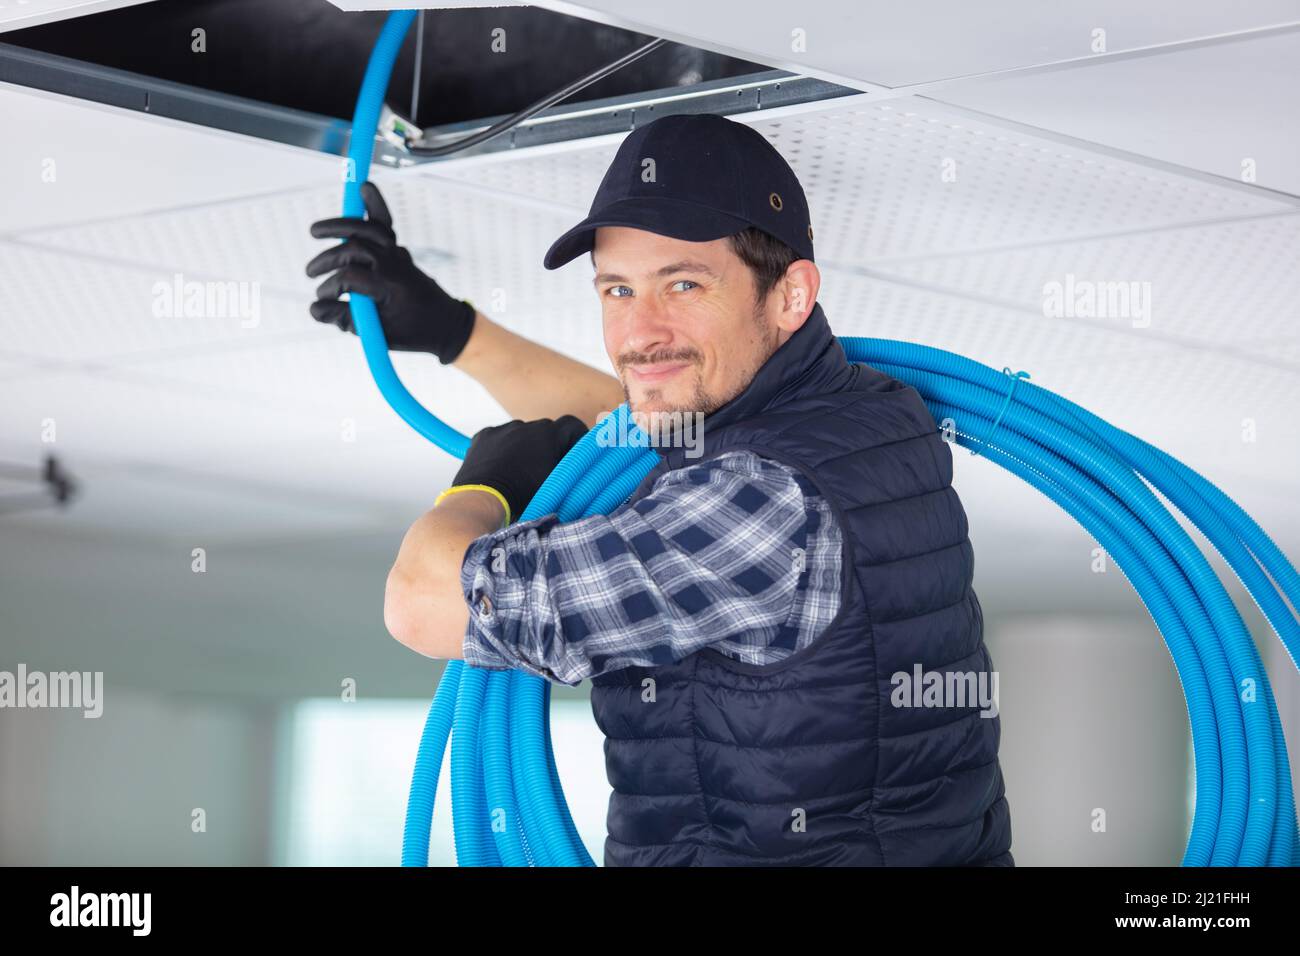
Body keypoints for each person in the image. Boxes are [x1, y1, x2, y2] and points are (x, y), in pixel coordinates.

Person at [306, 112, 1013, 867]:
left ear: (791, 294)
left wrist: (483, 491)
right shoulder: (861, 414)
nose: (640, 330)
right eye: (616, 290)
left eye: (683, 283)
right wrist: (457, 332)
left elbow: (424, 603)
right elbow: (646, 429)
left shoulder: (762, 502)